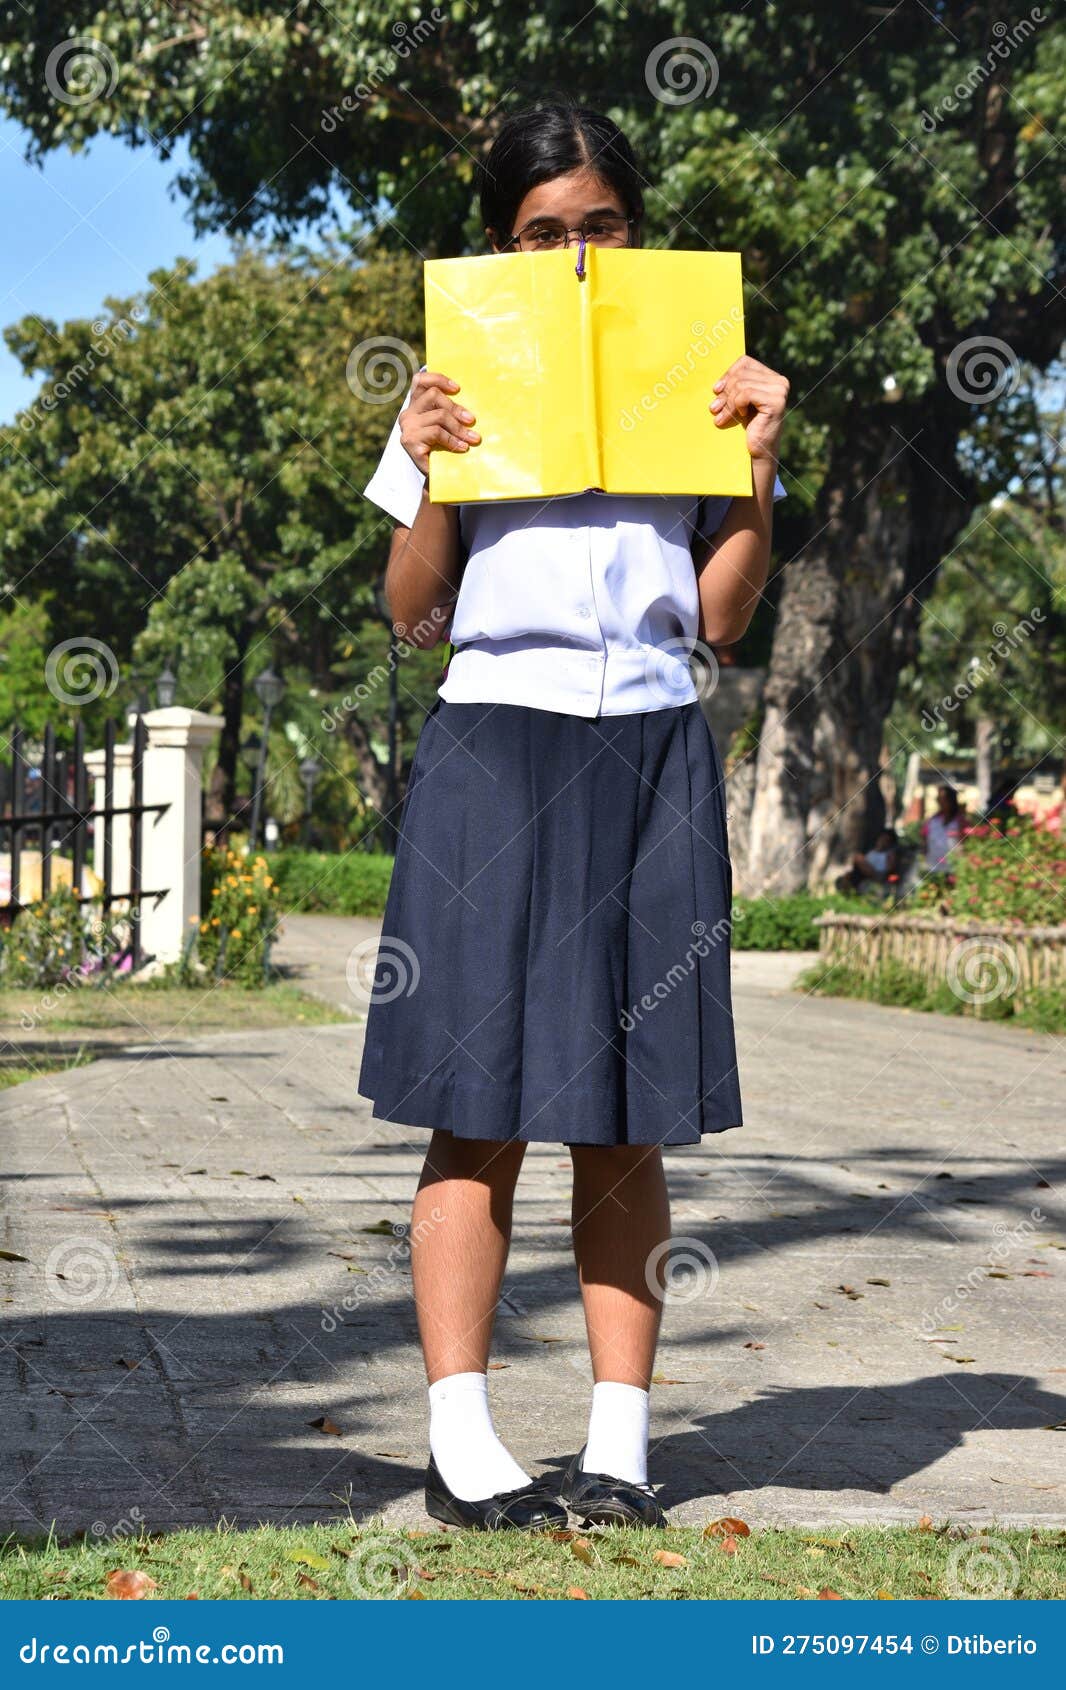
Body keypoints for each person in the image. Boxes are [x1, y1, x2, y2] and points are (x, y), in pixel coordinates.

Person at [357, 104, 789, 1531]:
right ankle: (462, 1434)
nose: (575, 252)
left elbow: (721, 614)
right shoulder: (452, 383)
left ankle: (619, 1443)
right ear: (503, 245)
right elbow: (412, 612)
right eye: (542, 231)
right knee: (472, 1110)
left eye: (600, 224)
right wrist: (418, 456)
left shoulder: (701, 384)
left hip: (650, 739)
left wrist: (759, 462)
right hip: (492, 738)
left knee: (624, 1112)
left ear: (637, 231)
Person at [839, 827, 899, 895]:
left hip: (876, 874)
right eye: (882, 838)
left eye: (886, 840)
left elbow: (890, 869)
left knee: (858, 858)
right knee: (849, 873)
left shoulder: (889, 854)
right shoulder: (873, 850)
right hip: (864, 872)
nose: (883, 841)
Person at [922, 783, 966, 875]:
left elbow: (965, 842)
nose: (939, 801)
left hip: (954, 869)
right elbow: (924, 839)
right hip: (933, 867)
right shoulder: (932, 820)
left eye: (943, 799)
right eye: (938, 798)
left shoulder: (960, 821)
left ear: (951, 801)